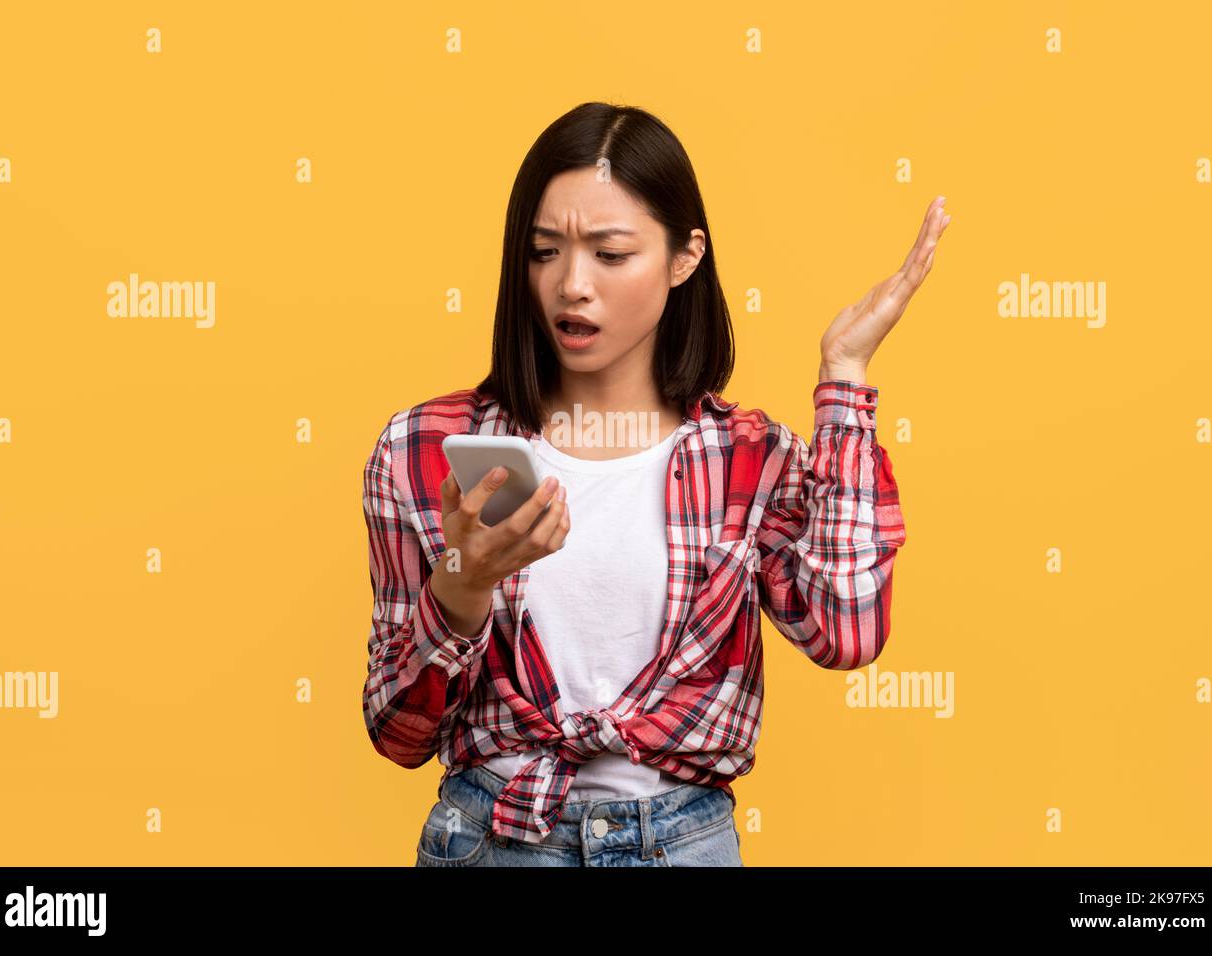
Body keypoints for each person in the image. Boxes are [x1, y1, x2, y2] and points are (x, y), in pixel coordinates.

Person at [362, 101, 950, 867]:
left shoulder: (748, 460)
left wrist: (844, 380)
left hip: (681, 844)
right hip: (492, 841)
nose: (571, 285)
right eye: (544, 252)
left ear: (684, 257)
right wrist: (463, 585)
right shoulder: (427, 449)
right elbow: (399, 733)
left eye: (610, 255)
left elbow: (846, 632)